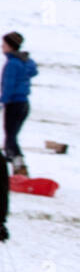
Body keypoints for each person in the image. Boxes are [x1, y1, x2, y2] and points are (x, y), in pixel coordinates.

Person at [2, 32, 38, 181]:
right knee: (11, 137)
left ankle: (20, 169)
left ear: (10, 46)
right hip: (24, 104)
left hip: (14, 104)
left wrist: (2, 102)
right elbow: (33, 71)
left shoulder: (12, 64)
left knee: (10, 139)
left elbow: (8, 87)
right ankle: (17, 168)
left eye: (3, 45)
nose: (1, 47)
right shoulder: (25, 61)